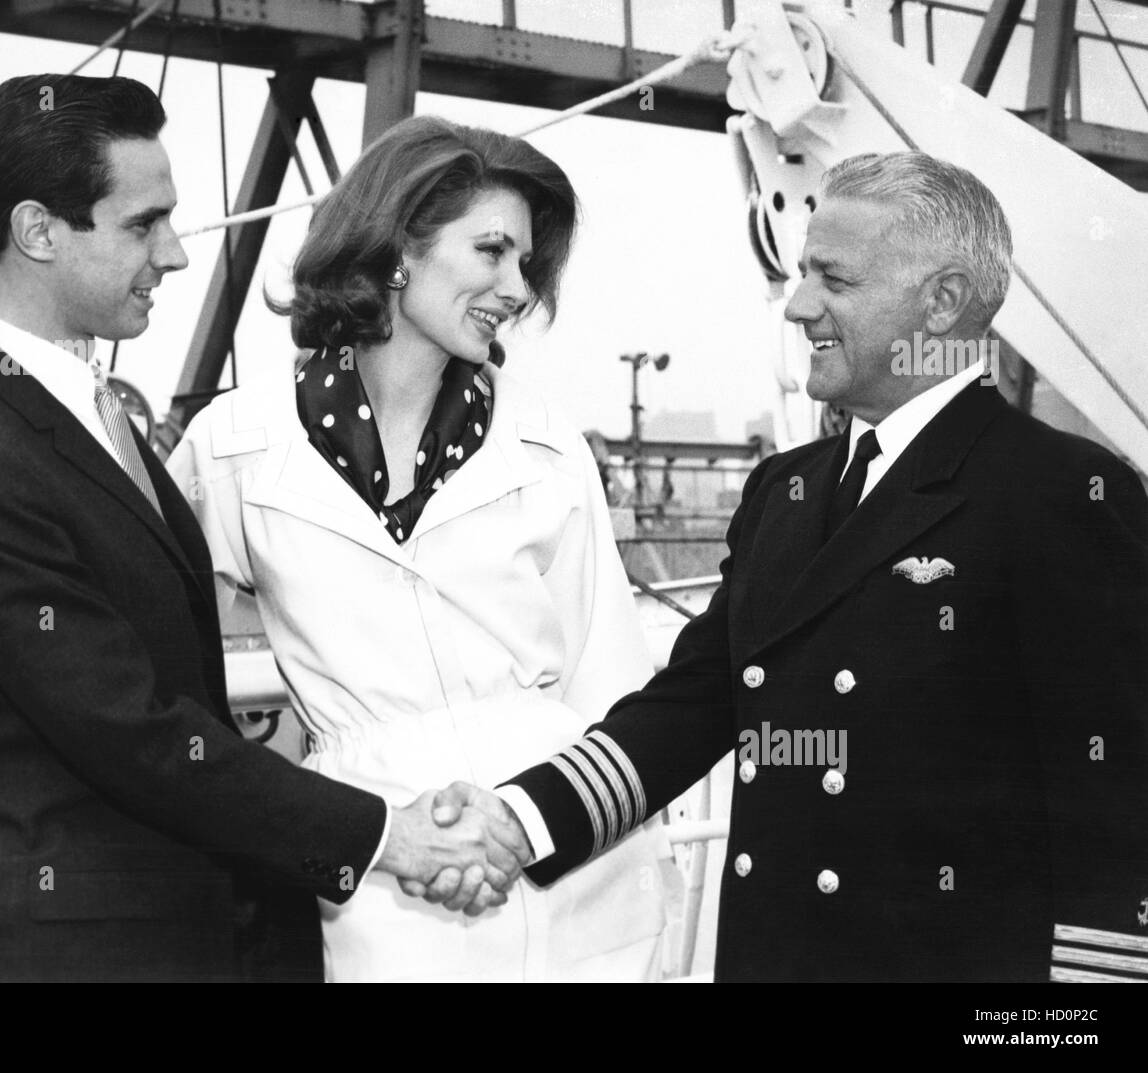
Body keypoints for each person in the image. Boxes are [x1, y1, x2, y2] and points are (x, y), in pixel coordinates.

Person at [434, 151, 1148, 982]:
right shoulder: (787, 489)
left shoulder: (1060, 493)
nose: (800, 307)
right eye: (802, 273)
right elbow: (697, 701)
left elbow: (1119, 804)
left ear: (944, 302)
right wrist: (520, 820)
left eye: (833, 279)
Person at [0, 75, 523, 983]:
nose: (176, 255)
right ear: (37, 232)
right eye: (143, 224)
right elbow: (130, 732)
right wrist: (389, 834)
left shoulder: (77, 411)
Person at [167, 115, 676, 982]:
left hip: (572, 872)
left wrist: (548, 831)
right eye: (491, 252)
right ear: (398, 244)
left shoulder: (546, 441)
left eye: (526, 262)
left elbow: (613, 680)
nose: (517, 287)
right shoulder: (237, 447)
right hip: (374, 880)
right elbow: (141, 638)